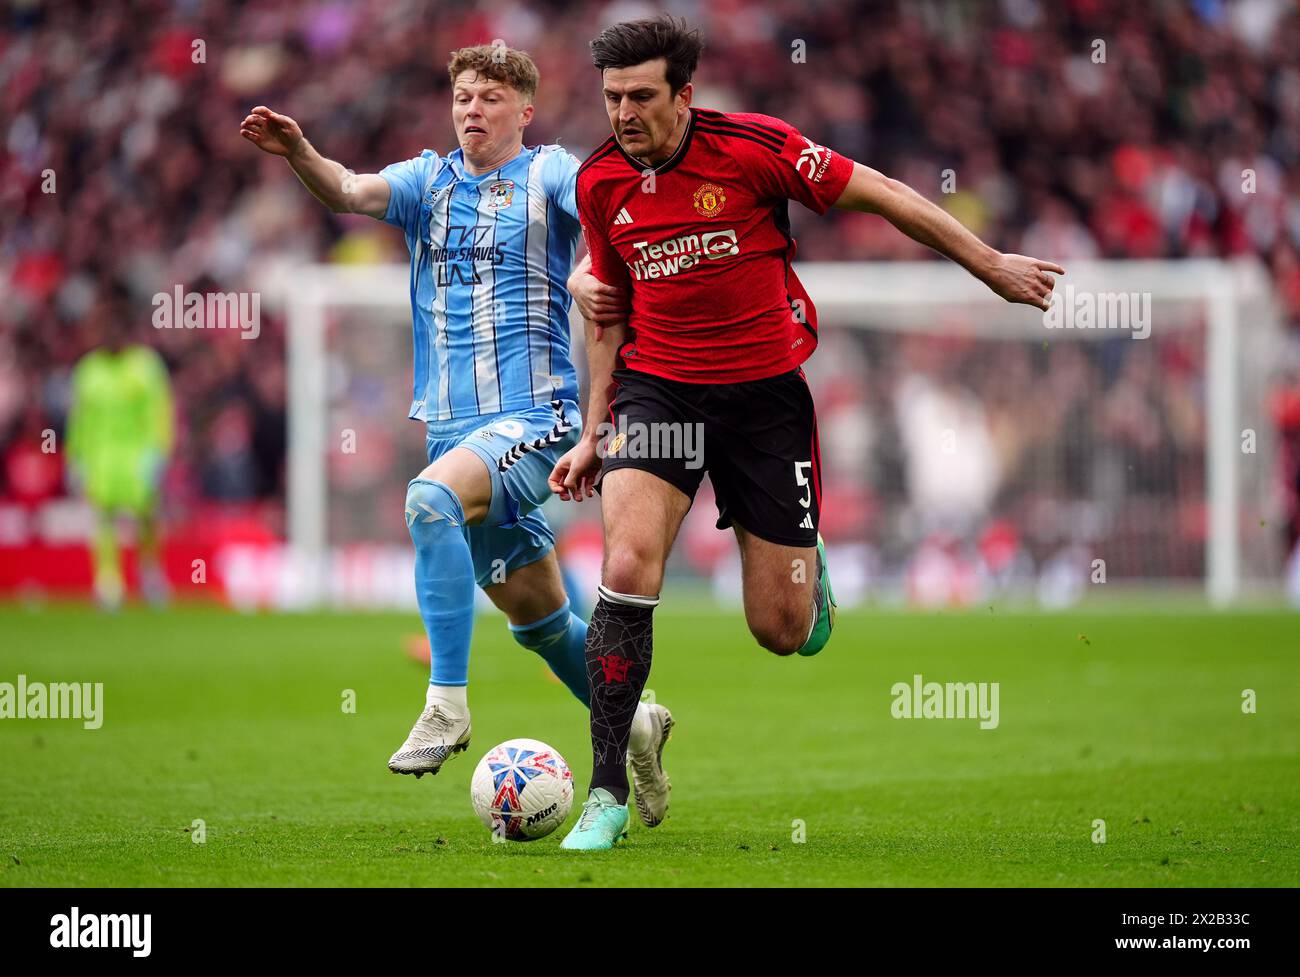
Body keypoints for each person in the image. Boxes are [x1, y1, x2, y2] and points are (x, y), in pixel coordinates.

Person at [551, 15, 1064, 850]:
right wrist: (589, 429)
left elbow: (886, 193)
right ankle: (607, 787)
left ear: (685, 94)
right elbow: (606, 310)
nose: (624, 113)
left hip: (763, 403)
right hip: (658, 394)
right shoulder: (600, 181)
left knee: (780, 630)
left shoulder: (755, 149)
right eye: (612, 97)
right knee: (625, 562)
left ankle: (803, 560)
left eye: (641, 96)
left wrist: (992, 265)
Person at [240, 44, 673, 826]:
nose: (473, 109)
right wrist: (300, 150)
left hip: (536, 417)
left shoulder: (548, 174)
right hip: (454, 429)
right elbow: (346, 190)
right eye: (464, 96)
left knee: (428, 502)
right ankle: (639, 723)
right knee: (539, 623)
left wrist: (596, 272)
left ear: (525, 112)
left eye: (491, 98)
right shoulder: (425, 182)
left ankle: (446, 704)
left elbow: (615, 208)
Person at [66, 292, 174, 611]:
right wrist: (76, 458)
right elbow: (79, 419)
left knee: (147, 517)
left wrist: (158, 452)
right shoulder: (88, 371)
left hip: (136, 455)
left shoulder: (145, 367)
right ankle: (108, 581)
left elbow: (160, 413)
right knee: (103, 518)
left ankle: (150, 571)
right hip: (101, 457)